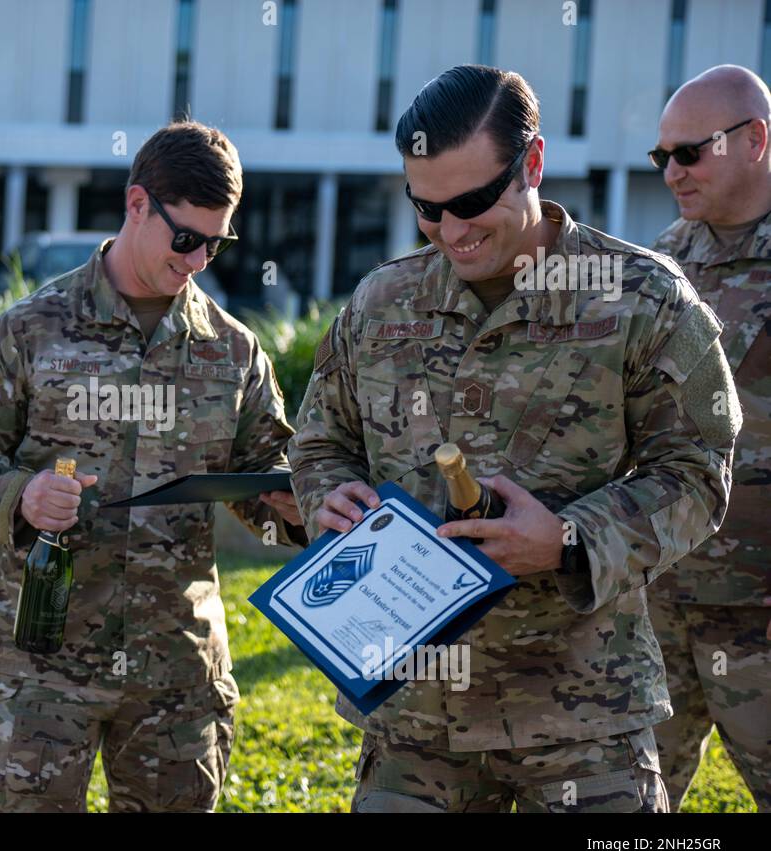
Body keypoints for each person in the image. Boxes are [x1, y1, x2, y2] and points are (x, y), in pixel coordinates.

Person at [288, 65, 740, 812]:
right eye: (427, 207)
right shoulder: (380, 301)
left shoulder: (644, 298)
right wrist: (328, 498)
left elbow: (697, 470)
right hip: (415, 726)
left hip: (584, 720)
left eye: (471, 202)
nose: (452, 231)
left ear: (532, 163)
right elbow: (319, 443)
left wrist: (567, 539)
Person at [0, 120, 307, 812]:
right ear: (137, 205)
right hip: (45, 667)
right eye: (184, 238)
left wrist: (291, 508)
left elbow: (267, 478)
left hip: (177, 674)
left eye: (214, 244)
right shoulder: (28, 330)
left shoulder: (233, 352)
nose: (197, 260)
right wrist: (20, 494)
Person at [647, 64, 771, 811]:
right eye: (660, 157)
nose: (671, 173)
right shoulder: (664, 260)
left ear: (755, 140)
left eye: (689, 153)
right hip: (660, 601)